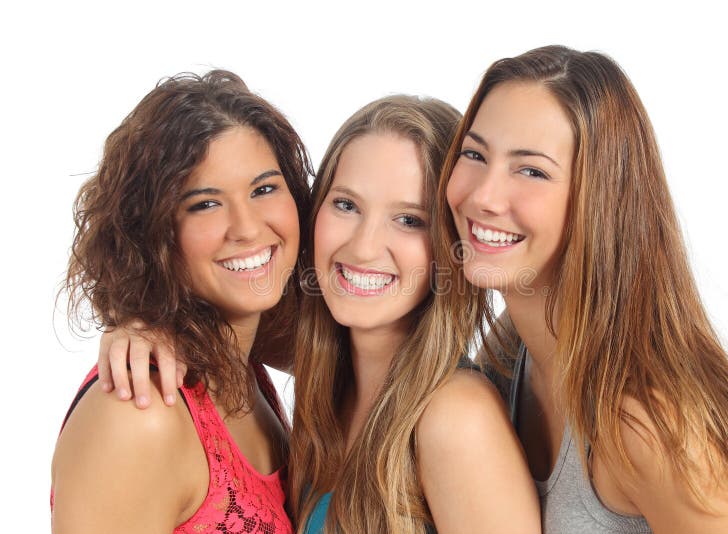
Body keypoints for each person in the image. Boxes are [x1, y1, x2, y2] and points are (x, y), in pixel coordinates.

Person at [93, 95, 541, 533]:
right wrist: (142, 323)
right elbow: (216, 314)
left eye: (409, 220)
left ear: (453, 242)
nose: (364, 247)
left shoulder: (457, 419)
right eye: (346, 205)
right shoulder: (329, 383)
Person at [441, 45, 728, 532]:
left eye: (532, 170)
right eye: (474, 154)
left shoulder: (647, 420)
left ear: (598, 198)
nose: (483, 195)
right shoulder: (513, 346)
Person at [51, 70, 312, 533]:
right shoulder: (139, 414)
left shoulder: (247, 366)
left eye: (264, 189)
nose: (248, 228)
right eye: (205, 204)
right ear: (153, 233)